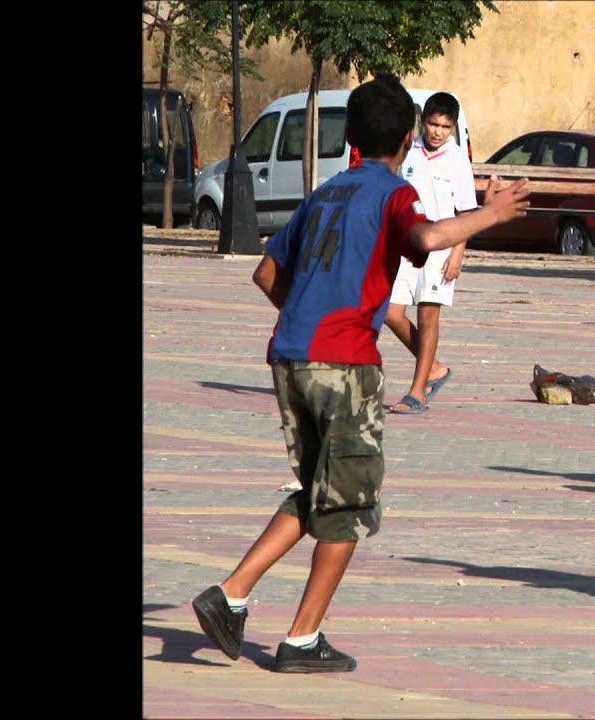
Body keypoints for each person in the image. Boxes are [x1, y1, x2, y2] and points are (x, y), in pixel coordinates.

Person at [191, 74, 530, 673]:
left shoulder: (324, 193)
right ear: (407, 138)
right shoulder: (393, 191)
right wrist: (489, 214)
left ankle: (232, 594)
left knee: (320, 492)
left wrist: (307, 321)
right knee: (350, 505)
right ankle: (300, 640)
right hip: (344, 364)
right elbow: (425, 237)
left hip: (290, 357)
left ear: (348, 136)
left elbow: (266, 276)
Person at [385, 91, 476, 414]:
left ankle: (417, 392)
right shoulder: (410, 152)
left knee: (428, 317)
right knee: (390, 313)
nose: (437, 132)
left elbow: (466, 213)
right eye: (433, 124)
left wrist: (457, 254)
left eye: (444, 126)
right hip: (407, 245)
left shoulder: (456, 159)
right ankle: (434, 367)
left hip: (440, 247)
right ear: (422, 121)